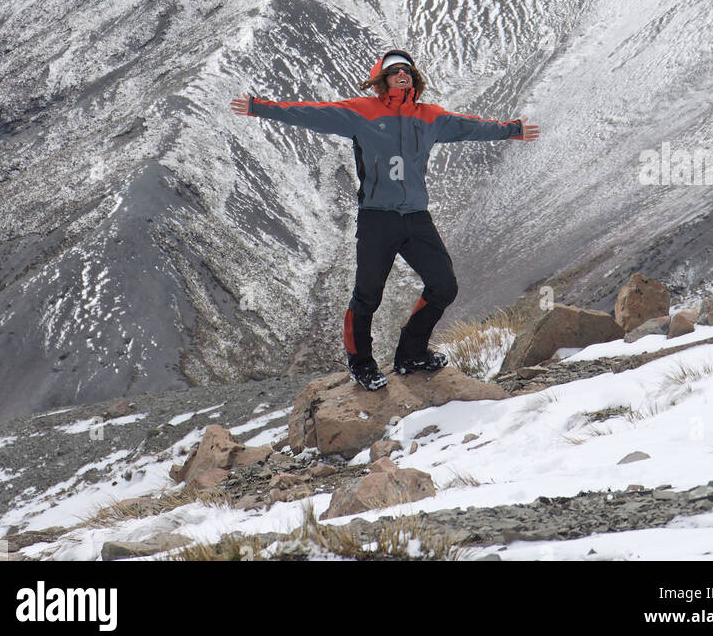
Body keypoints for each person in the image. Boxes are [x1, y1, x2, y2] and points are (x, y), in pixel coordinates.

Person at [231, 48, 539, 391]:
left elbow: (472, 127)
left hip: (417, 218)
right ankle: (361, 365)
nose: (402, 74)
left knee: (444, 285)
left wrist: (513, 130)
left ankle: (411, 354)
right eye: (394, 72)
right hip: (377, 219)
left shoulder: (430, 117)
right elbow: (312, 114)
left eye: (407, 70)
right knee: (367, 296)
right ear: (382, 80)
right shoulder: (362, 112)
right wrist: (259, 107)